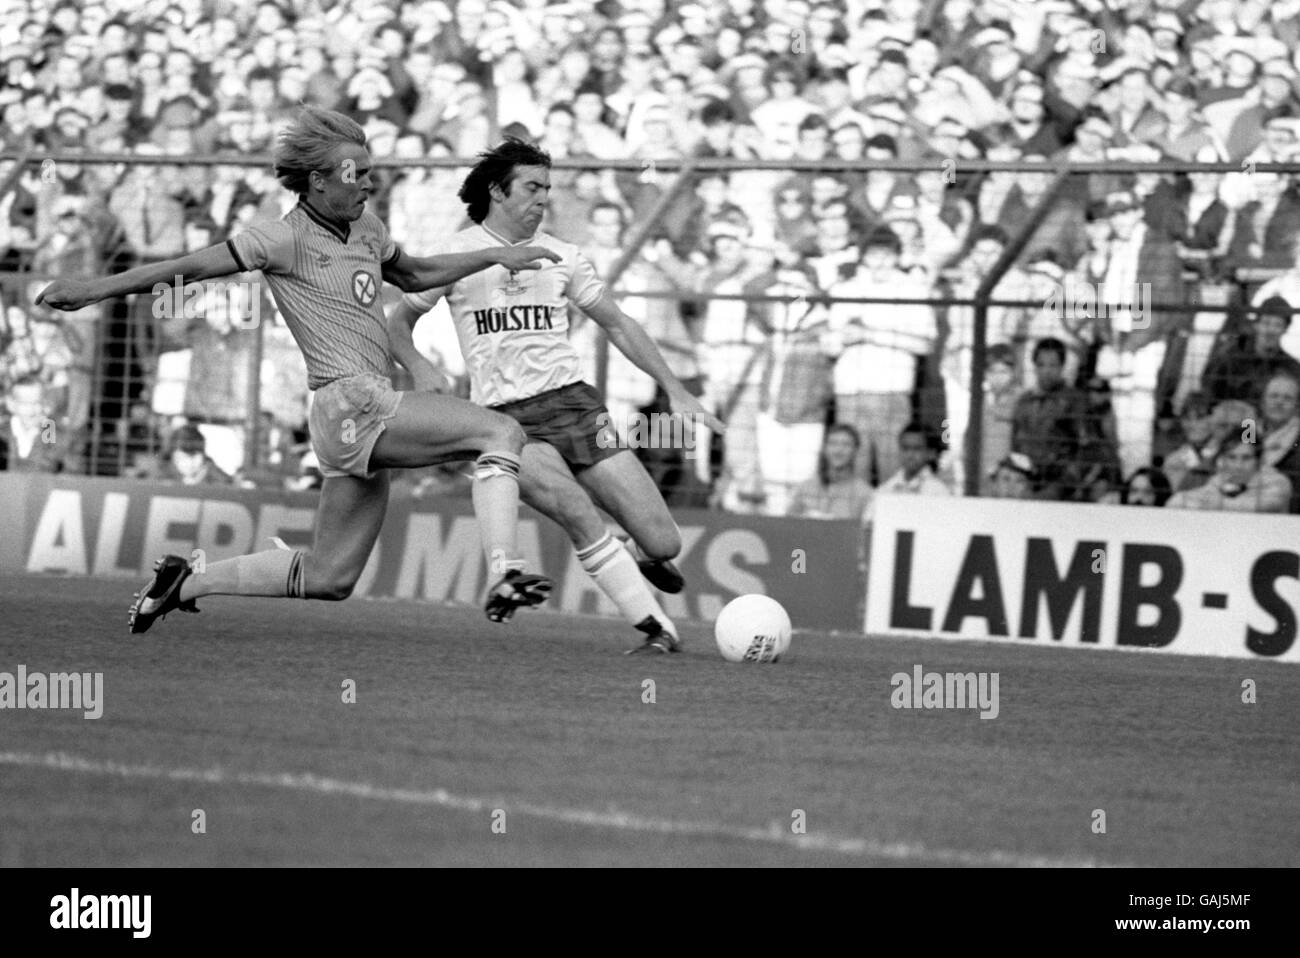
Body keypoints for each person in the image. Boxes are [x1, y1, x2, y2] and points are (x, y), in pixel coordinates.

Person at [36, 107, 562, 633]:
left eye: (370, 171)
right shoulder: (280, 238)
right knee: (500, 430)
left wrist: (494, 255)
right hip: (348, 402)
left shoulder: (367, 229)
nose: (369, 184)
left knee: (330, 577)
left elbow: (417, 272)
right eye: (357, 173)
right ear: (318, 181)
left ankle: (184, 584)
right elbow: (187, 268)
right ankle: (505, 572)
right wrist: (91, 290)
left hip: (361, 412)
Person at [387, 137, 724, 655]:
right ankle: (657, 629)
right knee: (575, 511)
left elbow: (618, 323)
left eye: (548, 187)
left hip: (576, 407)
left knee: (665, 542)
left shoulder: (564, 255)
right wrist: (418, 366)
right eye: (532, 186)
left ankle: (641, 550)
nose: (544, 197)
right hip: (505, 421)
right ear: (498, 192)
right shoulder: (452, 254)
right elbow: (397, 323)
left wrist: (675, 389)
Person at [1166, 435, 1292, 513]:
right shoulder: (1219, 480)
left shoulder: (1278, 483)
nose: (1238, 465)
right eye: (1232, 457)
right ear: (1223, 460)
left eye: (1246, 458)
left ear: (1258, 461)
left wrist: (1215, 504)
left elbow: (1260, 506)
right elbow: (1182, 501)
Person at [787, 424, 873, 521]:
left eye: (846, 444)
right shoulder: (805, 488)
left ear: (856, 450)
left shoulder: (865, 494)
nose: (838, 450)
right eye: (833, 443)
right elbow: (787, 523)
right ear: (825, 448)